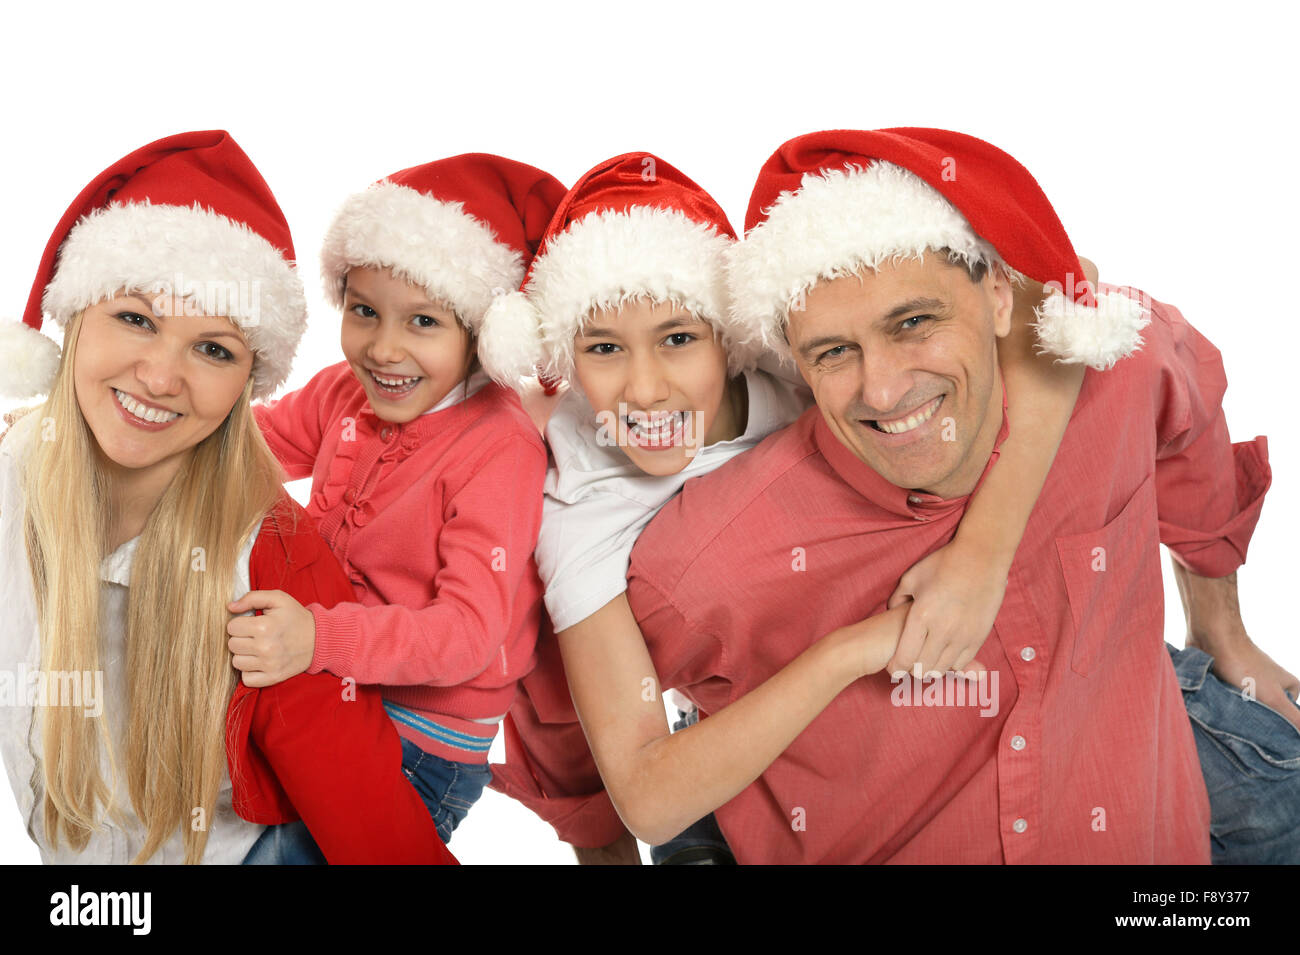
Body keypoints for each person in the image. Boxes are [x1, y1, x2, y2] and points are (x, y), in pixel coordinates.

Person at [615, 127, 1280, 862]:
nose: (884, 387)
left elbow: (1193, 439)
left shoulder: (1115, 365)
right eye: (834, 351)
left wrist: (1224, 633)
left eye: (913, 322)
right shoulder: (706, 558)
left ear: (999, 294)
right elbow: (595, 729)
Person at [479, 151, 1100, 862]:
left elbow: (1059, 286)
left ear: (730, 336)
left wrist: (981, 555)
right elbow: (647, 796)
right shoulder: (580, 507)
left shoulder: (800, 360)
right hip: (689, 740)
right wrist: (854, 650)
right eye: (603, 348)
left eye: (678, 338)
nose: (645, 389)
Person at [0, 131, 454, 865]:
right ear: (76, 318)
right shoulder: (14, 474)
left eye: (212, 348)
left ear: (249, 380)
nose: (158, 376)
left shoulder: (268, 555)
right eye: (136, 318)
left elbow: (376, 831)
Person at [238, 154, 564, 845]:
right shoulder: (343, 393)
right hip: (333, 687)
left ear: (481, 332)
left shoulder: (499, 447)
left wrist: (319, 636)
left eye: (423, 322)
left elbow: (468, 637)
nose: (384, 348)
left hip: (424, 734)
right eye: (364, 312)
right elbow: (243, 450)